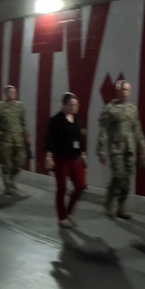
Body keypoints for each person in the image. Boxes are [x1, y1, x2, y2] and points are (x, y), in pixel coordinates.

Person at [96, 80, 145, 220]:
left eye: (127, 90)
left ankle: (121, 206)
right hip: (116, 149)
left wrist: (143, 146)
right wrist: (101, 149)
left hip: (130, 149)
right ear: (117, 91)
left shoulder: (132, 109)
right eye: (122, 89)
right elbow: (104, 131)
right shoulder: (110, 109)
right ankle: (109, 199)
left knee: (127, 180)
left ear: (129, 92)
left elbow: (137, 130)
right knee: (118, 176)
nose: (124, 92)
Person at [46, 93, 88, 227]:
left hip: (75, 158)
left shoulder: (76, 119)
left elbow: (78, 138)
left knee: (81, 185)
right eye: (71, 105)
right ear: (64, 105)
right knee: (62, 188)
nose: (73, 107)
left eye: (75, 105)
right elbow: (50, 140)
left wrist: (82, 154)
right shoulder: (56, 120)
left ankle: (69, 212)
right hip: (61, 159)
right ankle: (62, 216)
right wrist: (49, 157)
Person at [0, 85, 30, 195]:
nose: (13, 94)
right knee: (7, 164)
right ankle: (8, 185)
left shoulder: (19, 106)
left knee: (20, 162)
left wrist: (27, 134)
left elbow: (23, 121)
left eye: (14, 92)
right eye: (11, 92)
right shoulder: (0, 106)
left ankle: (11, 179)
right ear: (6, 93)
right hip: (6, 139)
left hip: (18, 139)